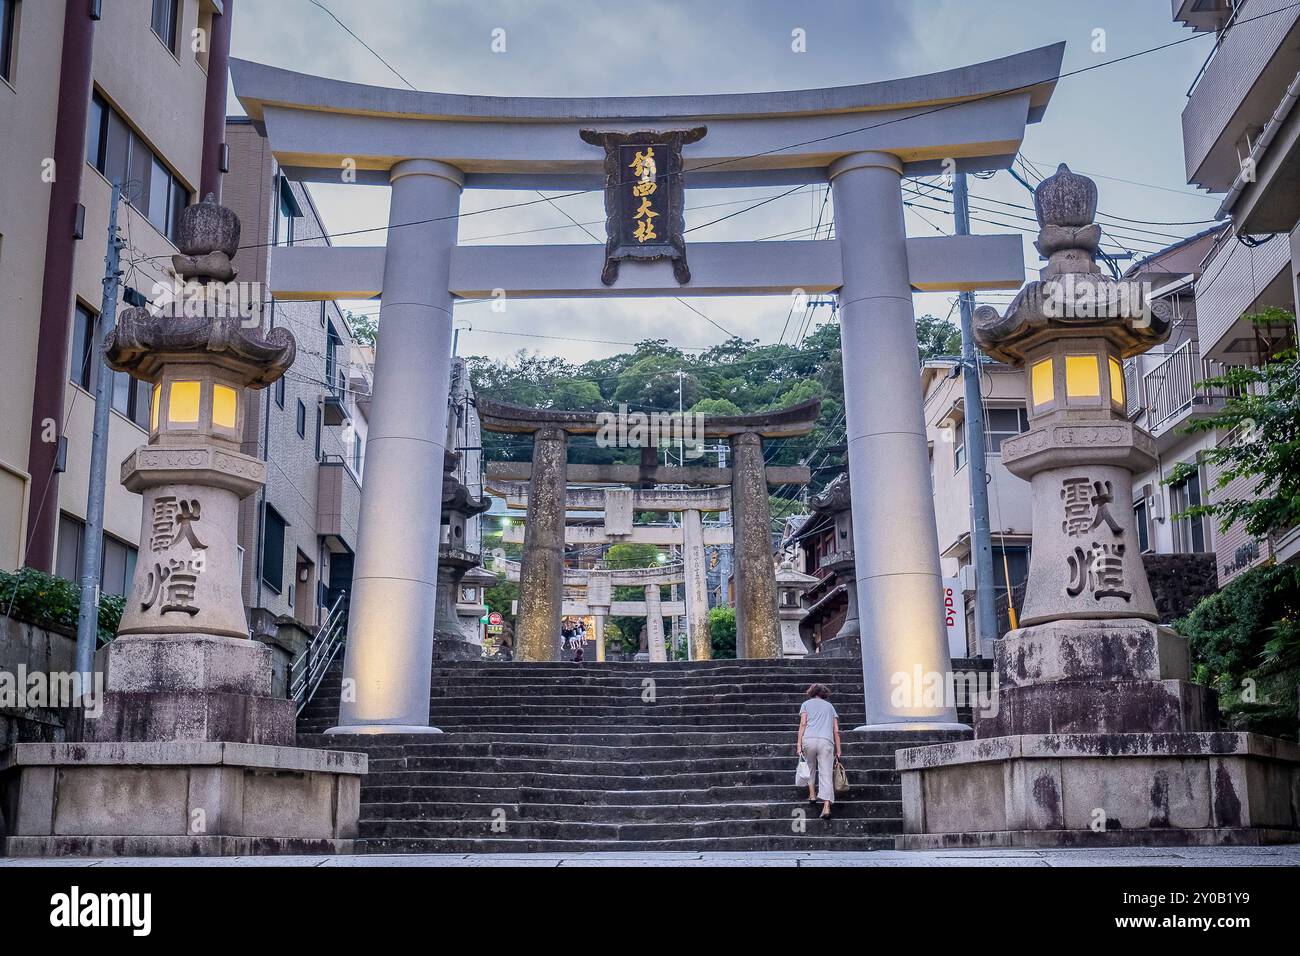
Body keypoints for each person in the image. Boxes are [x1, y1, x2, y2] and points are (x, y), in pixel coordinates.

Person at [795, 683, 841, 819]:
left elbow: (803, 724)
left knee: (809, 767)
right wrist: (839, 750)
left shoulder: (805, 704)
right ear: (824, 693)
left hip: (809, 739)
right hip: (826, 741)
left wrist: (798, 744)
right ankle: (826, 806)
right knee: (826, 773)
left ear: (811, 692)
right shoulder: (830, 707)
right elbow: (836, 730)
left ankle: (812, 794)